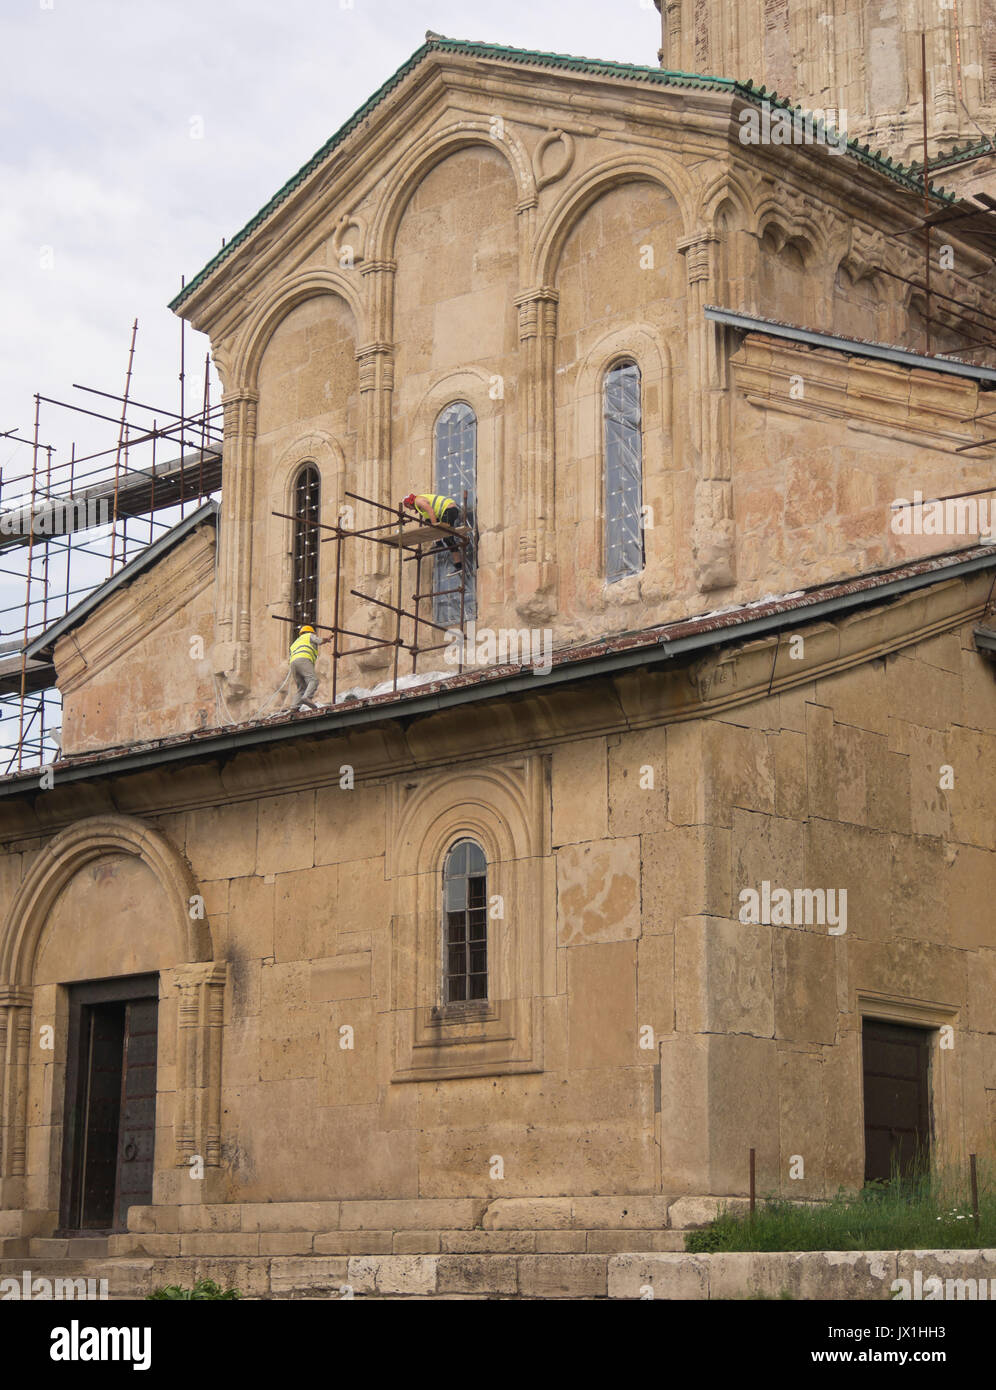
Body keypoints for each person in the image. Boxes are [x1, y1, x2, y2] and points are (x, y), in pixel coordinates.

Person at [402, 492, 464, 570]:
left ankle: (439, 543)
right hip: (445, 512)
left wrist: (436, 531)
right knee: (447, 538)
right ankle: (458, 564)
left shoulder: (418, 501)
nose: (410, 509)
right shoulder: (420, 507)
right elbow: (429, 519)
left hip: (449, 510)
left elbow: (431, 511)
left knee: (446, 537)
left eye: (408, 507)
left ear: (408, 503)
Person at [285, 624, 330, 711]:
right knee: (313, 680)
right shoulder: (309, 636)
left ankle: (294, 707)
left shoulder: (295, 643)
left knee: (301, 687)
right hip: (304, 659)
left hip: (293, 664)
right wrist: (327, 639)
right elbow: (319, 641)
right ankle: (307, 697)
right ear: (310, 632)